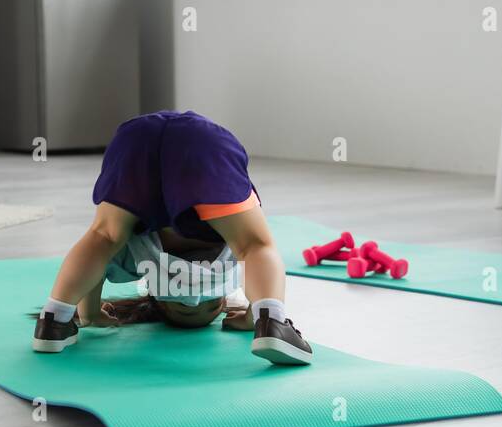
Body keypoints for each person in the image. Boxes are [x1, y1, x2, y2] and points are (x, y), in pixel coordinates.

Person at [32, 111, 312, 366]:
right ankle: (54, 321)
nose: (193, 300)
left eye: (181, 303)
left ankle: (271, 320)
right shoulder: (136, 259)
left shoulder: (141, 258)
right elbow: (98, 266)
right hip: (164, 142)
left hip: (158, 140)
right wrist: (89, 313)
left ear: (152, 292)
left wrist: (255, 316)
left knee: (105, 236)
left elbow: (98, 262)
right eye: (211, 303)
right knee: (105, 236)